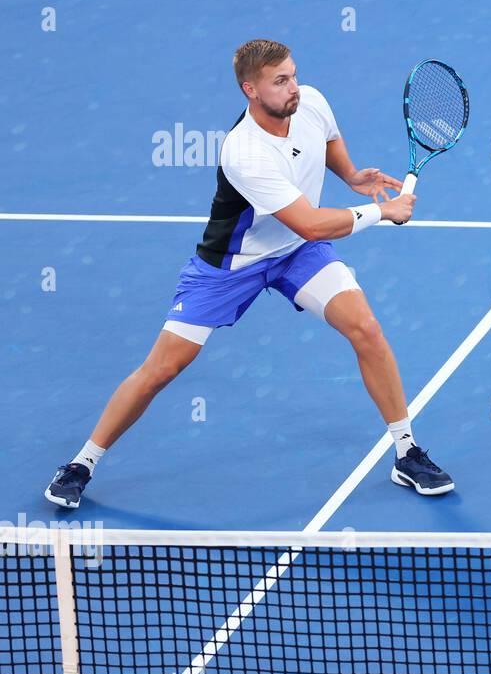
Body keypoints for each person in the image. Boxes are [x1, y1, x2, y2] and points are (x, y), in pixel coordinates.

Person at [45, 39, 454, 509]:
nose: (293, 87)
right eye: (280, 81)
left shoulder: (311, 101)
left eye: (294, 75)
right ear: (250, 90)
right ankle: (82, 463)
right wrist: (383, 213)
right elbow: (310, 222)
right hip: (231, 264)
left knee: (366, 328)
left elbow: (325, 141)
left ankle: (406, 451)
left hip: (296, 253)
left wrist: (351, 175)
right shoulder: (244, 152)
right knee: (163, 368)